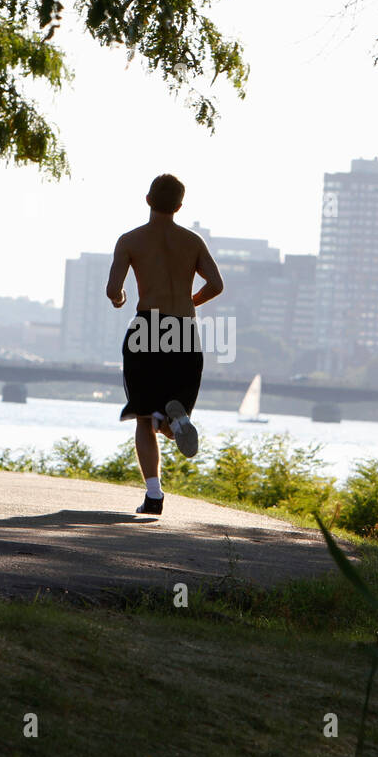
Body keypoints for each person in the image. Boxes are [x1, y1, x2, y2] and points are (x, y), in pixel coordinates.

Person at [106, 173, 224, 515]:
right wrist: (189, 301)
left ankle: (154, 496)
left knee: (144, 417)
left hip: (147, 328)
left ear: (147, 200)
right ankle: (177, 422)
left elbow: (113, 290)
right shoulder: (193, 241)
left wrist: (121, 298)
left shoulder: (130, 240)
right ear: (179, 205)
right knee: (169, 417)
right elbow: (216, 284)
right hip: (185, 330)